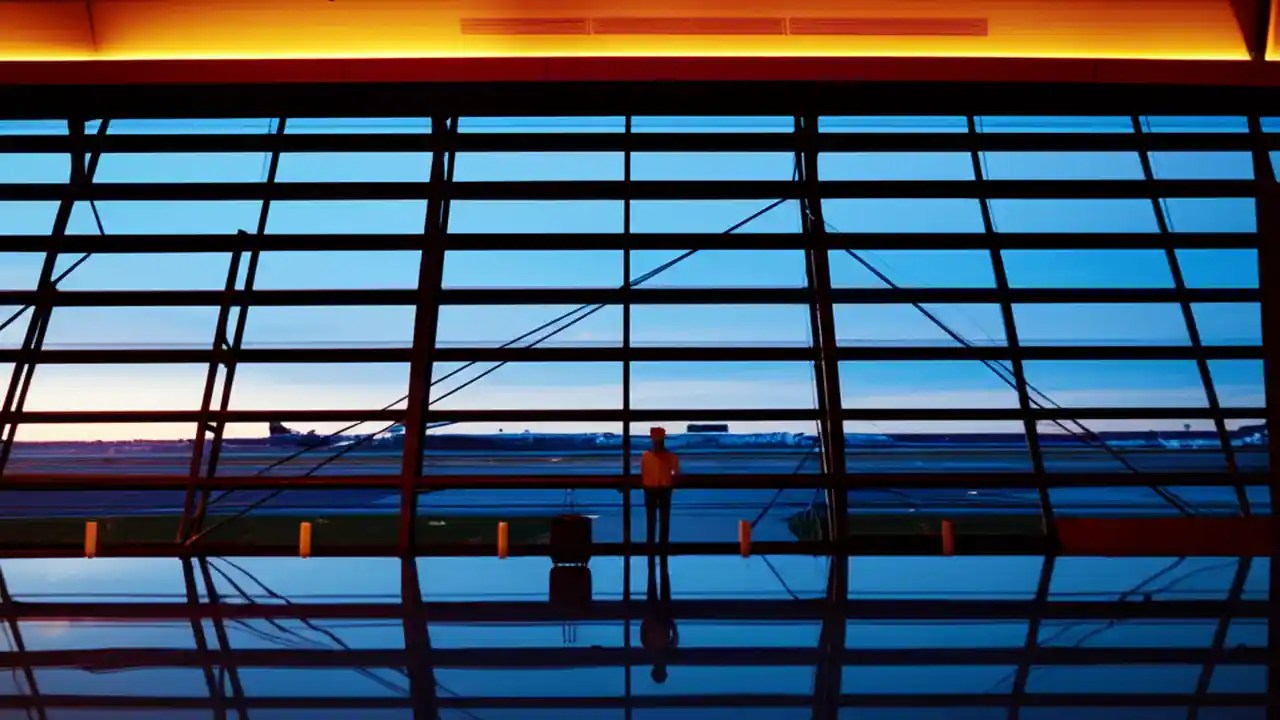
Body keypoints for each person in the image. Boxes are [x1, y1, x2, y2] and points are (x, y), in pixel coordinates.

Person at [641, 426, 680, 548]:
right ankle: (662, 544)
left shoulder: (646, 456)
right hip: (663, 488)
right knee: (663, 520)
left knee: (652, 520)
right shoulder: (671, 457)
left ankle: (651, 545)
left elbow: (643, 472)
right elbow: (676, 473)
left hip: (652, 489)